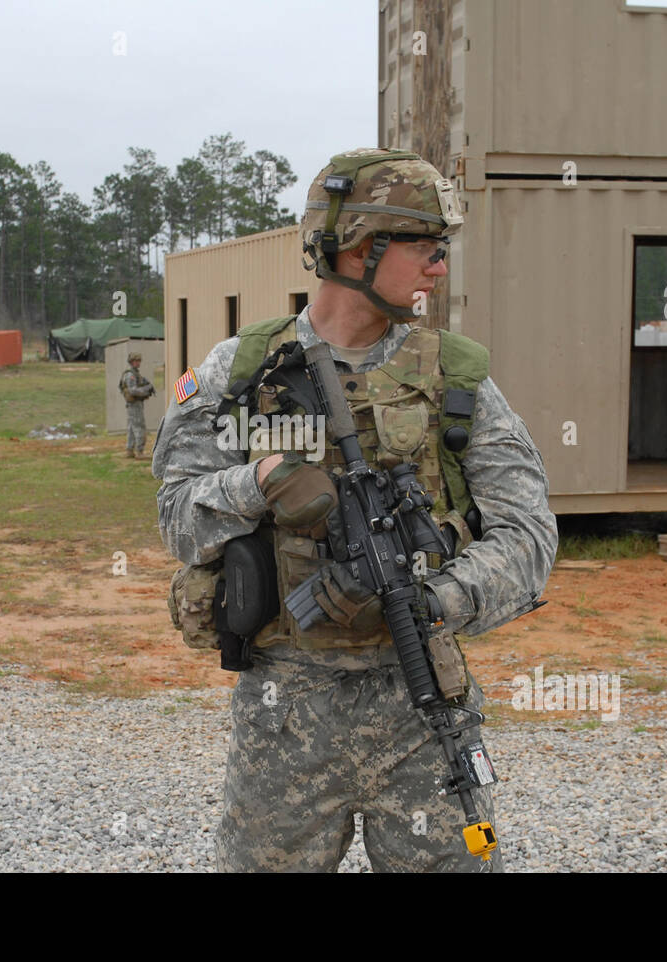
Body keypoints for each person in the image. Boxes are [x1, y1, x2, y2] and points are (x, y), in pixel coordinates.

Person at [153, 147, 557, 872]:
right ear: (363, 248)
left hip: (424, 703)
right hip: (283, 715)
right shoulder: (240, 372)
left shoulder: (455, 376)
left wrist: (437, 599)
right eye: (427, 247)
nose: (440, 265)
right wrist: (259, 481)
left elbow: (528, 536)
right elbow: (179, 515)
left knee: (475, 859)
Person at [119, 351, 154, 458]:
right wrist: (147, 389)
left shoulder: (135, 374)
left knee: (131, 427)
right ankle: (140, 451)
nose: (138, 363)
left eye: (139, 361)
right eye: (136, 361)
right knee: (139, 426)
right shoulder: (130, 375)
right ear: (131, 362)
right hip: (134, 404)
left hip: (135, 404)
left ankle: (130, 450)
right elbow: (133, 391)